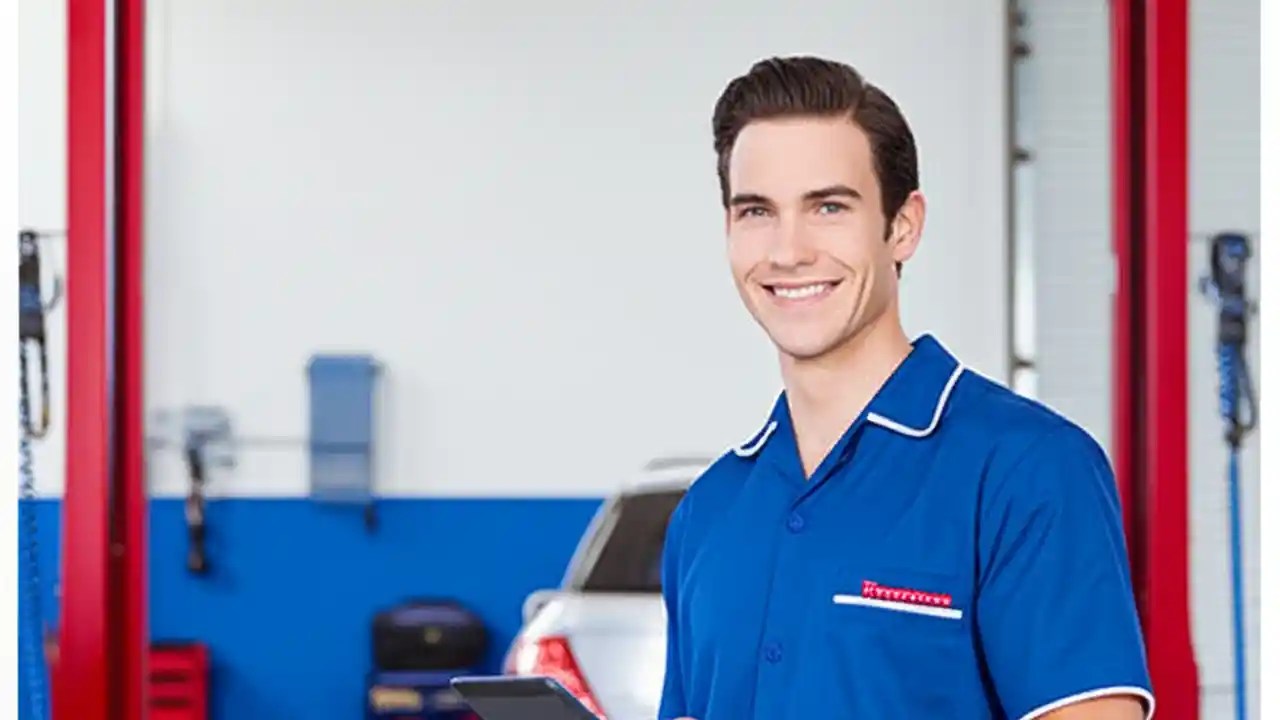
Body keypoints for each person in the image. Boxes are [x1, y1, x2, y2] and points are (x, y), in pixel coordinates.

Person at [658, 56, 1154, 720]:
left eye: (828, 206)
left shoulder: (1027, 470)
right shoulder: (707, 513)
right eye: (756, 211)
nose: (788, 250)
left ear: (903, 226)